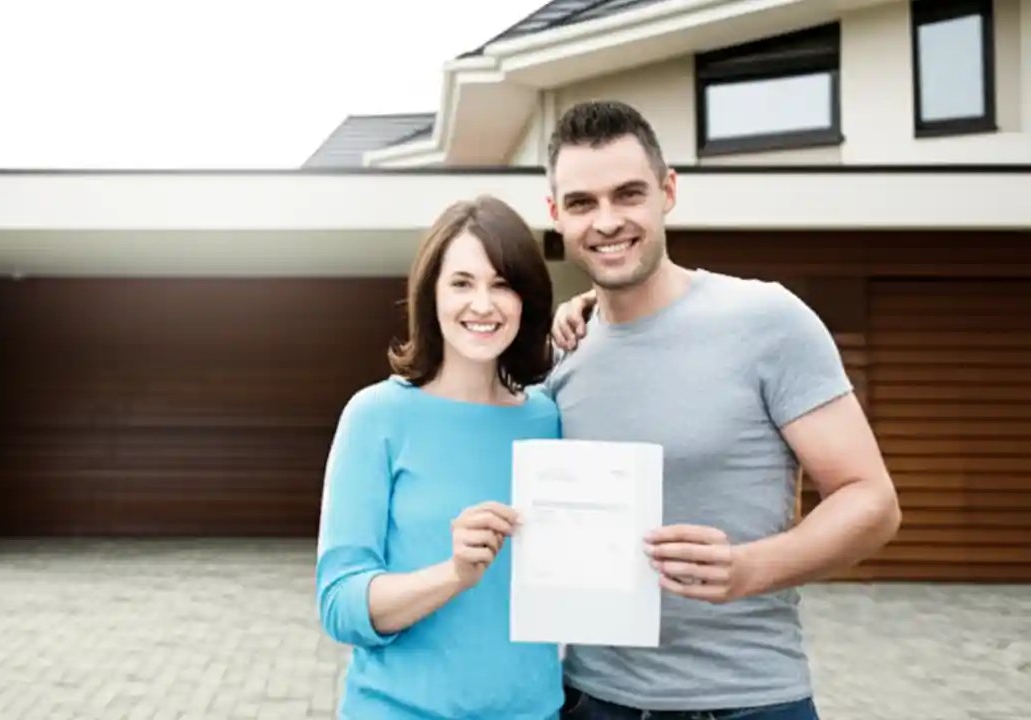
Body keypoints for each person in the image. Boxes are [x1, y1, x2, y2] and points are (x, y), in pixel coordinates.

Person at [540, 101, 902, 719]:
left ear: (668, 191)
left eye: (628, 194)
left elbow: (871, 501)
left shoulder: (766, 320)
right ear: (555, 214)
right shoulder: (565, 347)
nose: (606, 222)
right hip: (592, 699)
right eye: (581, 203)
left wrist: (749, 568)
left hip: (745, 701)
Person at [315, 194, 565, 719]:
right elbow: (340, 605)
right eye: (462, 283)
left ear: (527, 299)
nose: (482, 304)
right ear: (431, 295)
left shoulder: (550, 419)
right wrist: (454, 573)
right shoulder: (376, 415)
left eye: (502, 284)